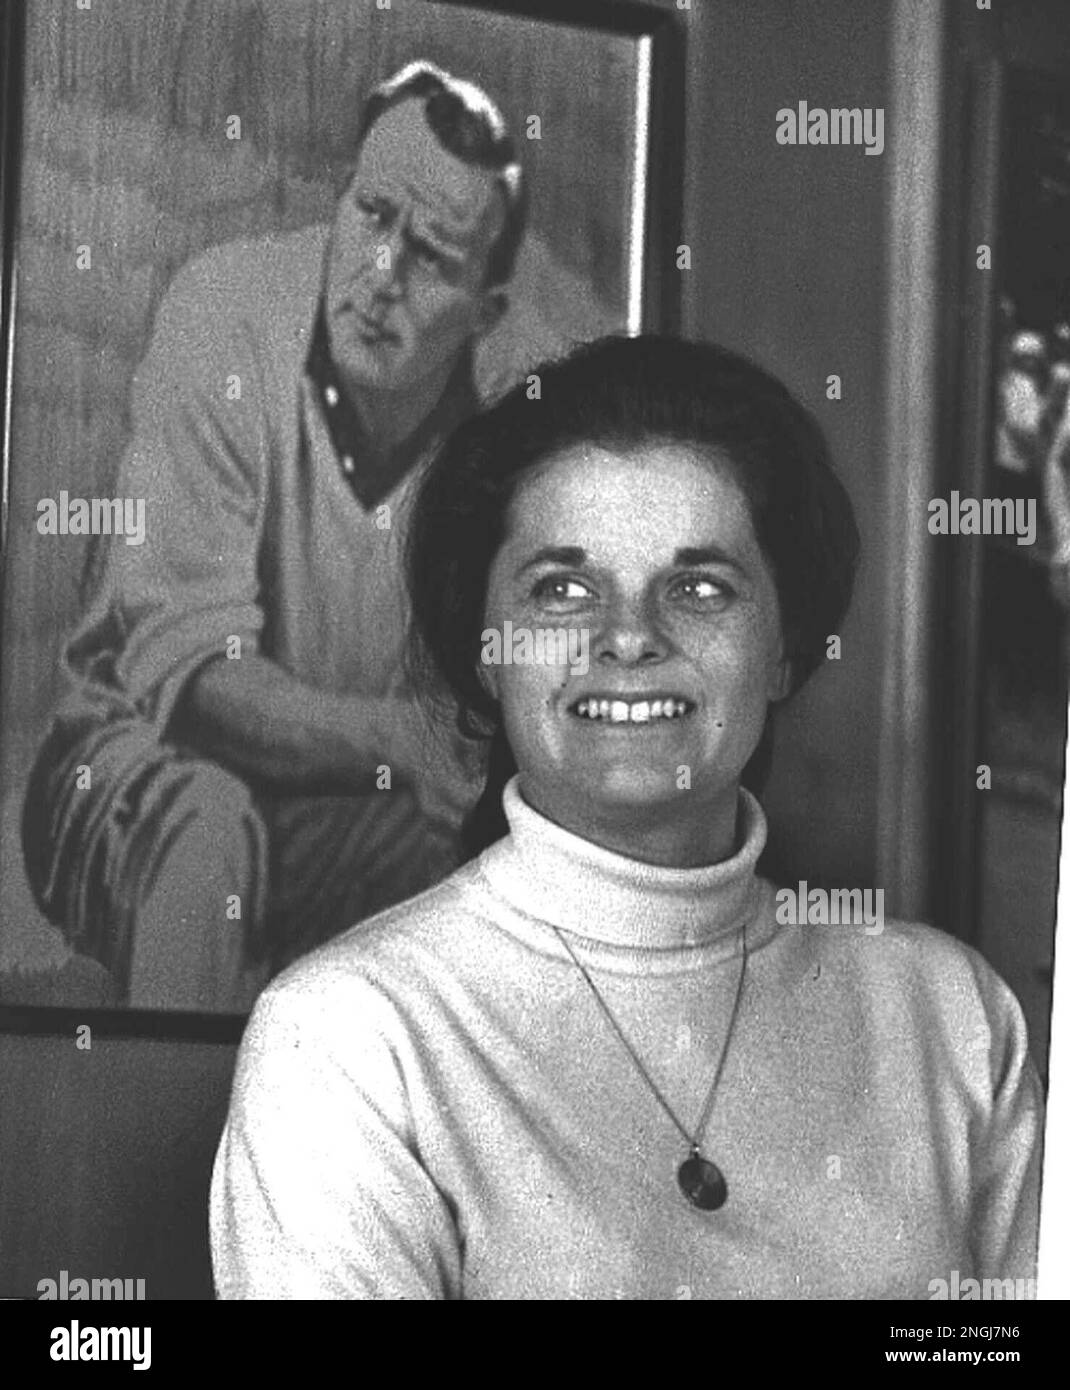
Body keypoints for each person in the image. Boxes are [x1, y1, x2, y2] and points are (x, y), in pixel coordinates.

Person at [210, 334, 1043, 1300]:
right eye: (563, 589)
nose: (629, 638)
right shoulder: (351, 1043)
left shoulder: (951, 1017)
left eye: (699, 588)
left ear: (783, 648)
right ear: (487, 649)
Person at [21, 61, 534, 1012]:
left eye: (430, 257)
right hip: (136, 772)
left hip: (344, 810)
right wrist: (406, 742)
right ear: (340, 202)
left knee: (463, 882)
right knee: (210, 837)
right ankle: (160, 1155)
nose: (382, 279)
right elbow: (197, 687)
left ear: (485, 314)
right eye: (372, 214)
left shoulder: (504, 437)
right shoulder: (224, 314)